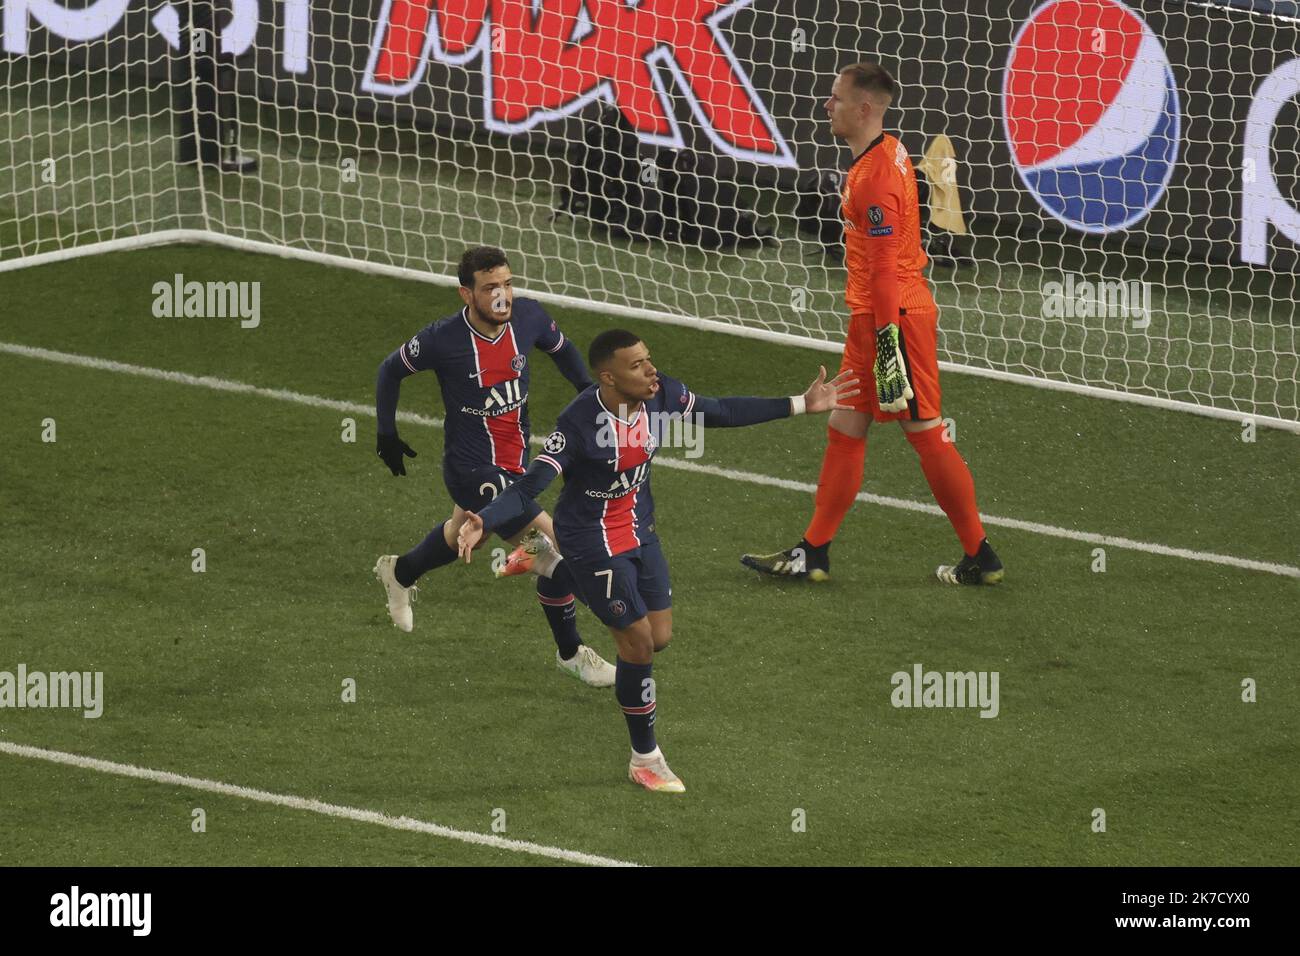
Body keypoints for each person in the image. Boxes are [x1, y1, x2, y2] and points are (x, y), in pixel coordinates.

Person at [456, 329, 858, 792]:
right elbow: (530, 486)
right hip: (590, 540)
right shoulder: (578, 424)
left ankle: (547, 563)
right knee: (638, 646)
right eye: (637, 365)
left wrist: (801, 404)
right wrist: (483, 521)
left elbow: (719, 411)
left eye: (649, 360)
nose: (650, 371)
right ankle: (645, 758)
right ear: (607, 377)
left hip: (640, 532)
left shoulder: (661, 392)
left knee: (659, 636)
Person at [742, 63, 1004, 585]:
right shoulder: (884, 152)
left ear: (865, 108)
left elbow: (885, 270)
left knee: (927, 433)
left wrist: (886, 344)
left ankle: (981, 554)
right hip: (878, 320)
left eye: (835, 97)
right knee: (844, 427)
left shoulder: (876, 179)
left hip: (894, 321)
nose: (826, 105)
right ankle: (812, 551)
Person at [372, 246, 615, 686]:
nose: (502, 297)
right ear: (466, 294)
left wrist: (589, 395)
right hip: (471, 470)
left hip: (517, 462)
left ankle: (399, 572)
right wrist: (386, 433)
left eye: (507, 284)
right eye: (490, 289)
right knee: (556, 544)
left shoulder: (529, 318)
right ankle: (572, 651)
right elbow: (389, 371)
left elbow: (562, 349)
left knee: (467, 536)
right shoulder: (441, 340)